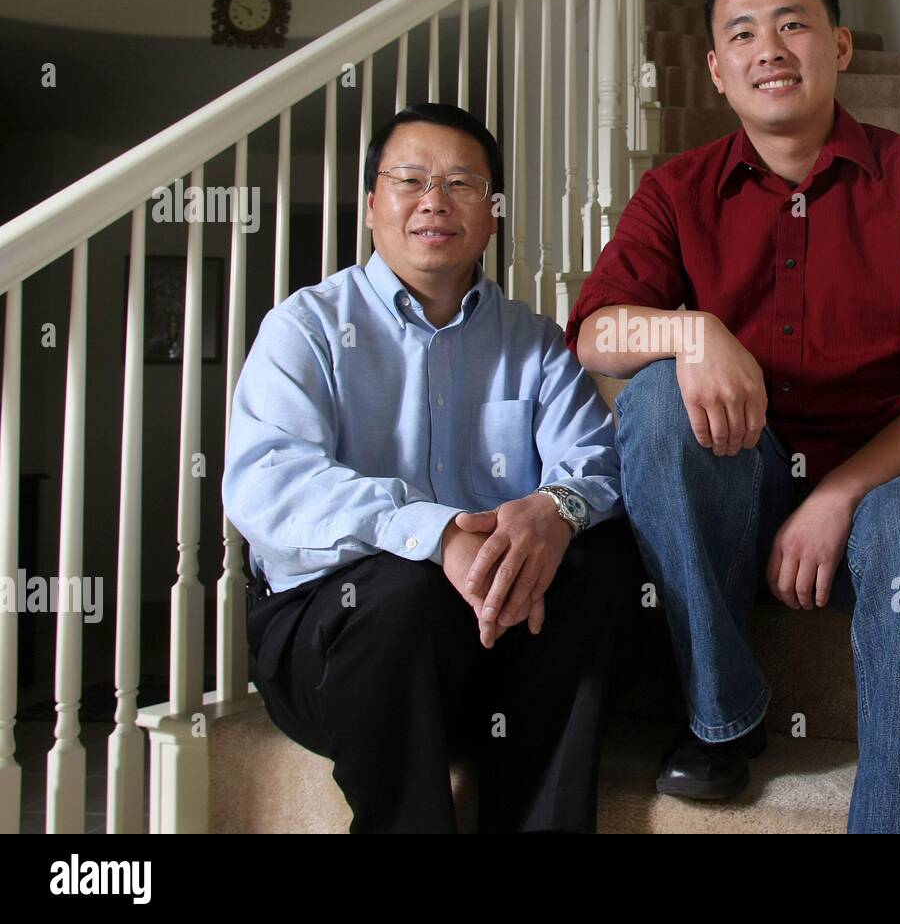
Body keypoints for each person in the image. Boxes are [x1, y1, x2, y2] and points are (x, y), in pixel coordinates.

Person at [566, 0, 900, 833]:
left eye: (792, 25)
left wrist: (841, 494)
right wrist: (694, 329)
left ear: (839, 47)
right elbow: (594, 332)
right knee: (656, 400)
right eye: (742, 34)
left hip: (886, 491)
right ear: (718, 71)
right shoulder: (675, 191)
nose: (768, 48)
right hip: (744, 481)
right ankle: (722, 718)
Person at [222, 102, 641, 834]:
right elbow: (270, 482)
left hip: (494, 643)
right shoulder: (308, 328)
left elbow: (597, 461)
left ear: (493, 214)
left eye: (461, 185)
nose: (433, 202)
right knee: (400, 589)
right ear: (372, 205)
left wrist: (553, 512)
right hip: (337, 648)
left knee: (596, 558)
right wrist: (439, 534)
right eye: (409, 180)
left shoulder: (534, 343)